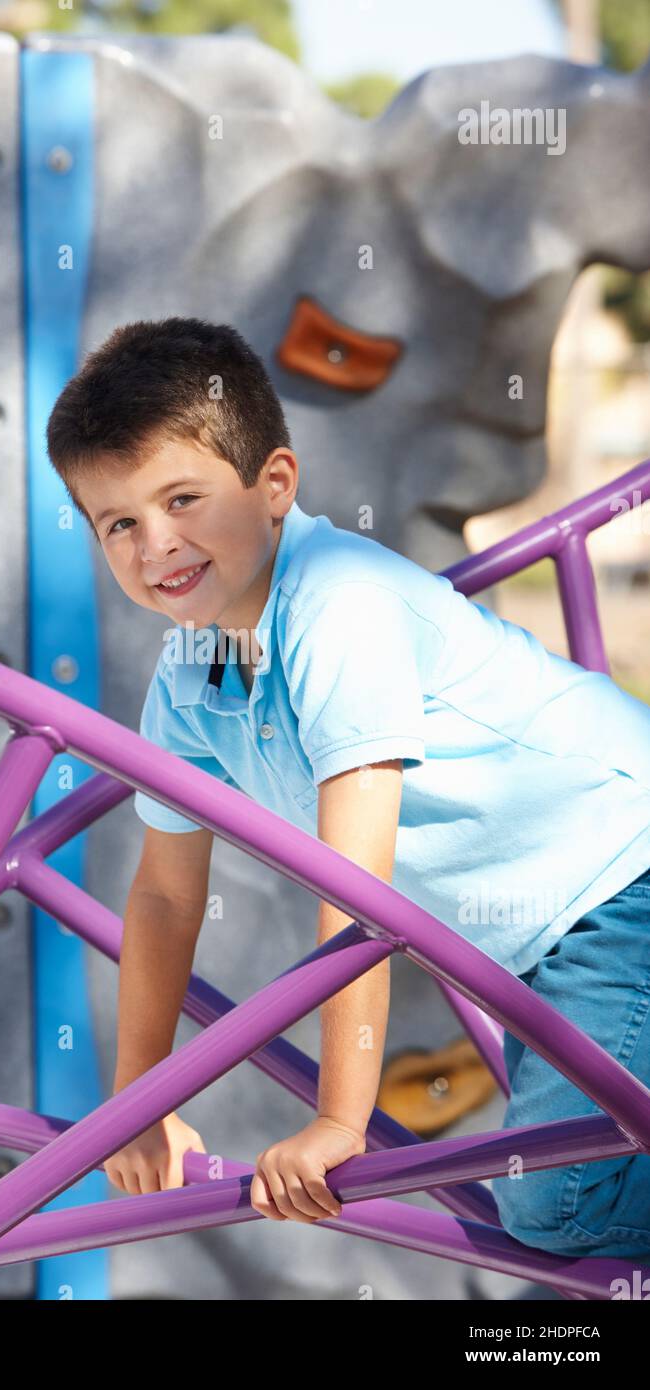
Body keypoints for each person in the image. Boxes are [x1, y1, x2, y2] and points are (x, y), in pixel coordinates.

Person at [45, 316, 650, 1253]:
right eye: (119, 522)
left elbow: (354, 895)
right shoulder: (189, 676)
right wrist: (135, 1100)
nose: (155, 543)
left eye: (183, 500)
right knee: (573, 1188)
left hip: (626, 873)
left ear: (275, 483)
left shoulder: (339, 606)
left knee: (558, 1205)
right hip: (542, 942)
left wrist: (341, 1121)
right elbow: (166, 894)